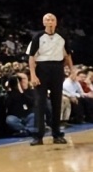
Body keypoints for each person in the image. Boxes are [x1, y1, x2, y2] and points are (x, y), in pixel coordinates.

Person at [27, 13, 74, 145]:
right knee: (40, 103)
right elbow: (31, 57)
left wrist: (72, 70)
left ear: (56, 22)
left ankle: (57, 134)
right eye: (47, 19)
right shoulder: (37, 37)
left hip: (57, 68)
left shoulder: (62, 36)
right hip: (41, 68)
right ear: (43, 23)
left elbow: (68, 55)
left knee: (56, 103)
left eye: (52, 19)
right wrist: (33, 74)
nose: (50, 21)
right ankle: (38, 136)